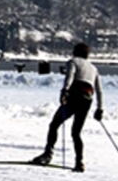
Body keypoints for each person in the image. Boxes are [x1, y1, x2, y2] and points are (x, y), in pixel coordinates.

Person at [29, 42, 104, 173]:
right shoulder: (93, 68)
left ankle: (48, 155)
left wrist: (65, 91)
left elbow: (70, 77)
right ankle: (79, 162)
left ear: (75, 52)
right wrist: (99, 109)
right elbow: (99, 90)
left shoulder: (73, 62)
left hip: (74, 96)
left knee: (54, 124)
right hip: (87, 99)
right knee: (76, 133)